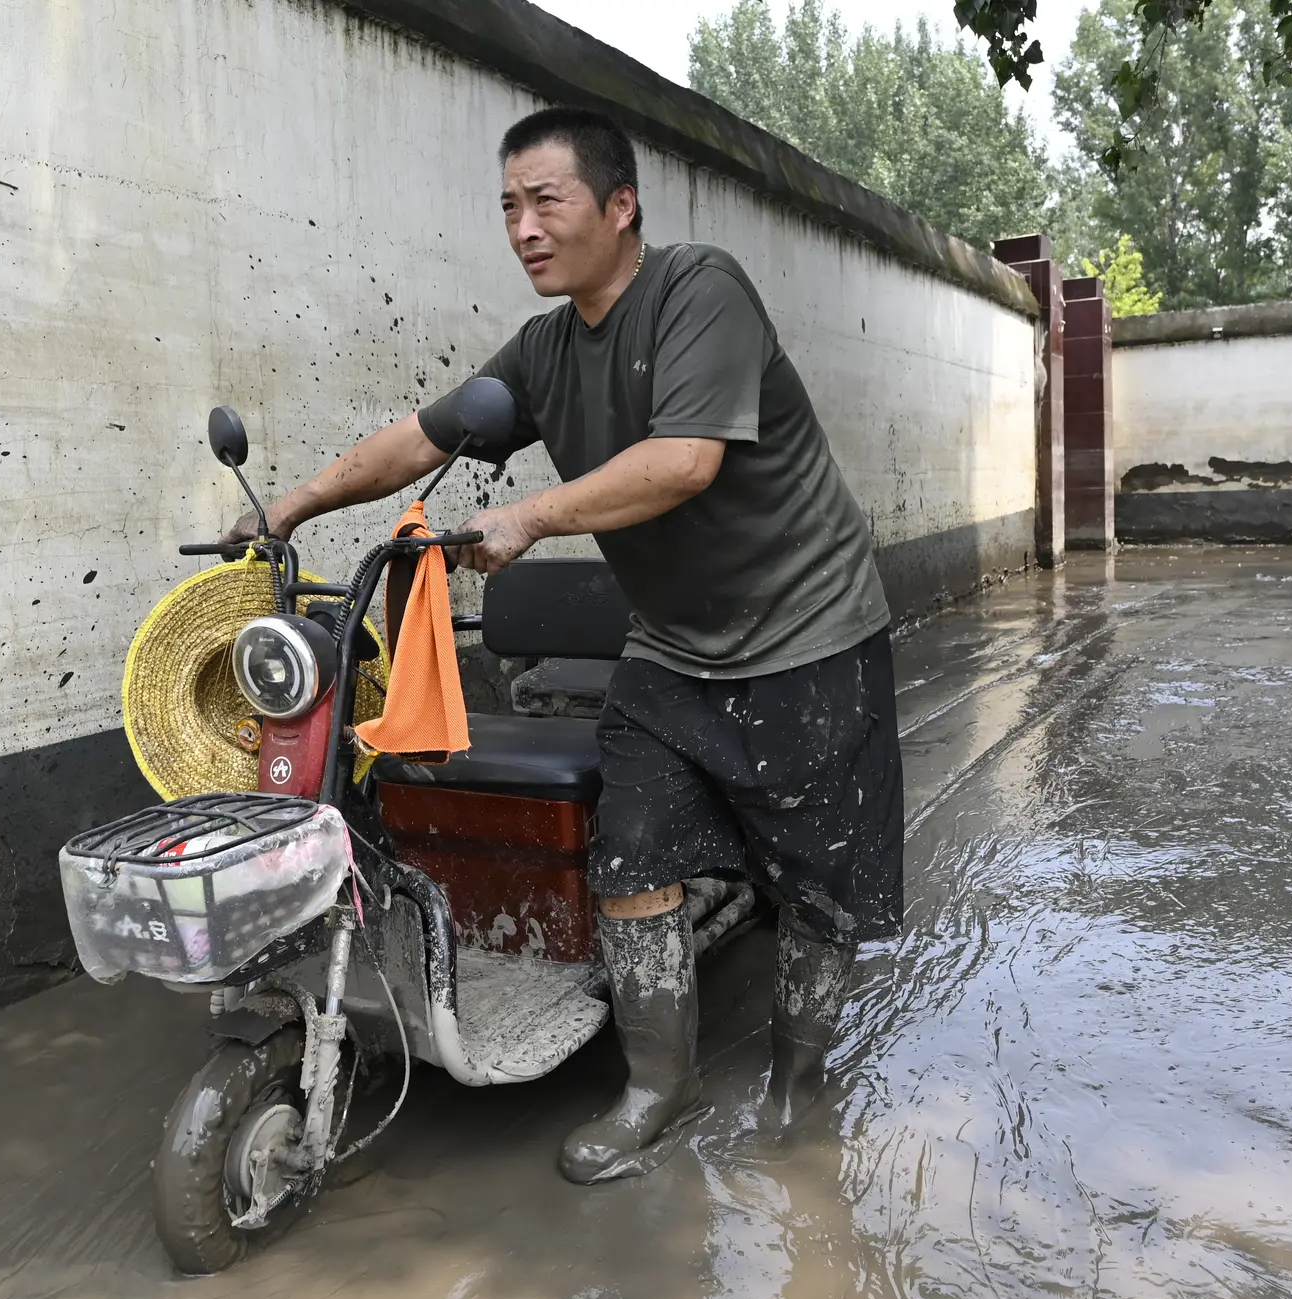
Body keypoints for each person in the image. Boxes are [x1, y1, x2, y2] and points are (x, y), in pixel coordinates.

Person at [226, 106, 903, 1184]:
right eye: (508, 207)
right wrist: (294, 507)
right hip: (672, 649)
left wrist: (531, 517)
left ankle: (797, 1084)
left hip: (805, 635)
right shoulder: (542, 352)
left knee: (816, 888)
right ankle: (654, 1089)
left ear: (619, 205)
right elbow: (422, 436)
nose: (523, 228)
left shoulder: (699, 291)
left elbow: (683, 459)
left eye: (545, 201)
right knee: (628, 857)